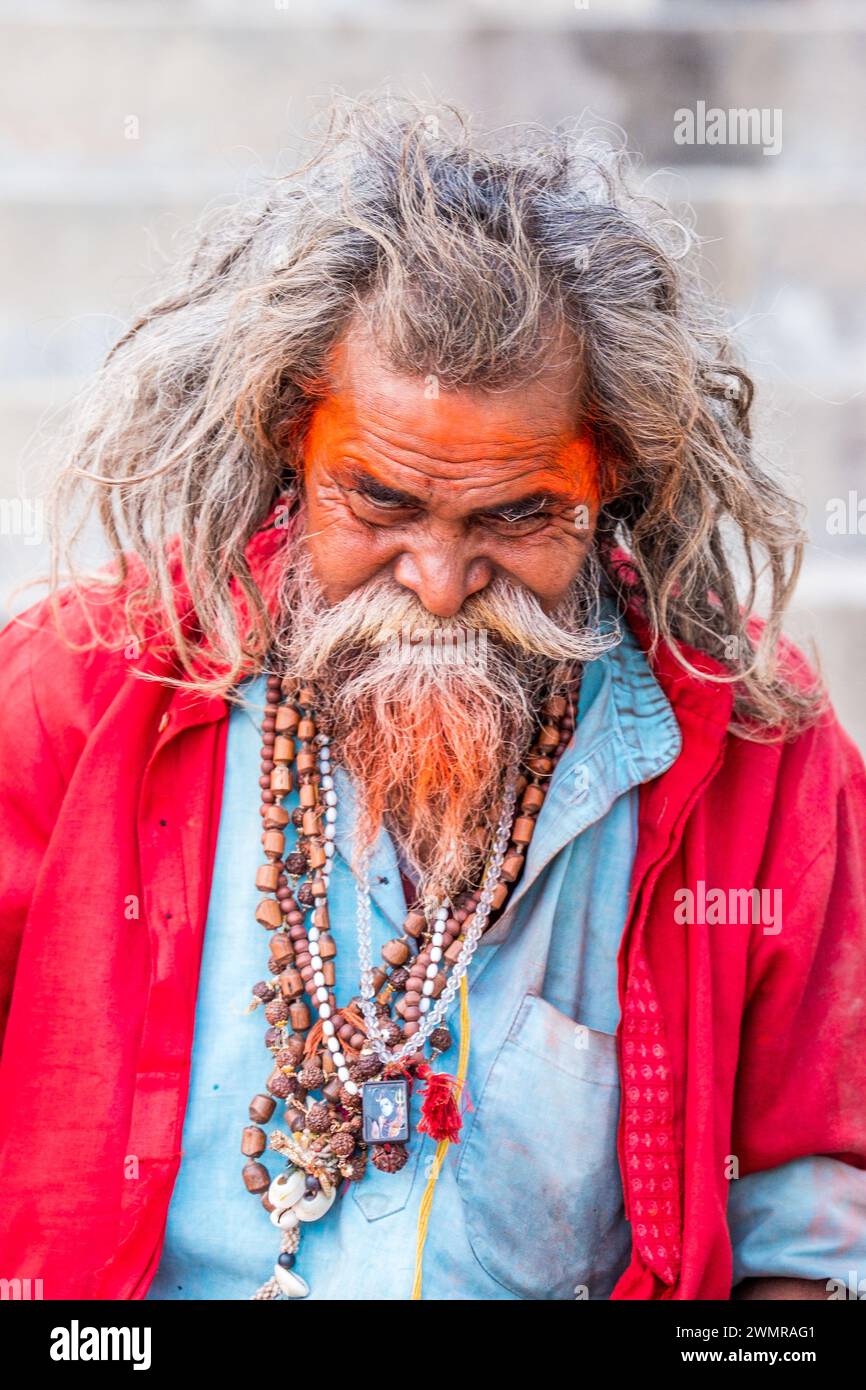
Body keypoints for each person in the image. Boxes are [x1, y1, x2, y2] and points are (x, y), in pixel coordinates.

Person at [1, 94, 865, 1302]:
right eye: (381, 505)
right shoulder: (77, 699)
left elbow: (805, 1220)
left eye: (515, 515)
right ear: (285, 441)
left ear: (611, 474)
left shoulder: (757, 759)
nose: (441, 583)